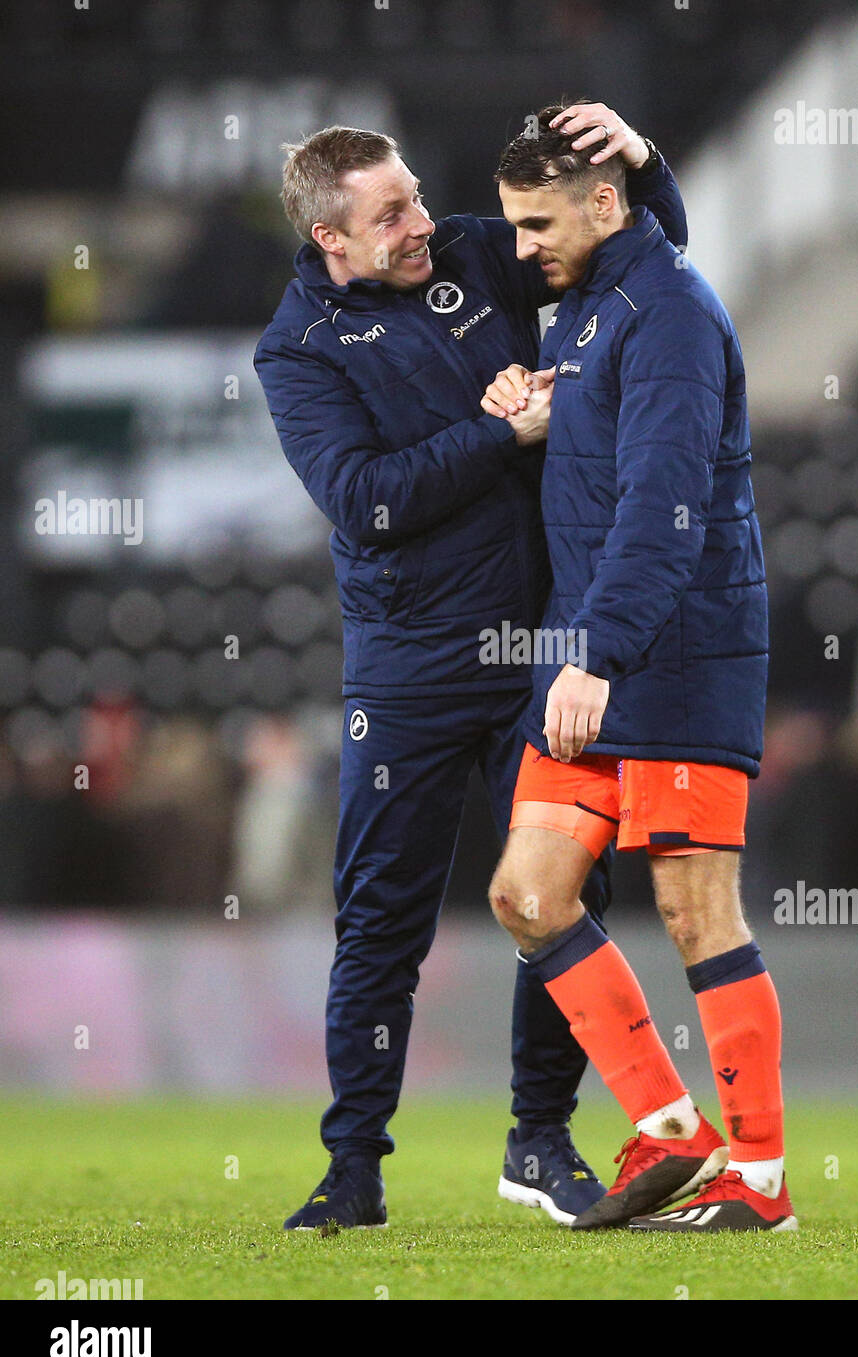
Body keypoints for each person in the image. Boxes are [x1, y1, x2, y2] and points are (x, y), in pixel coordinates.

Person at [253, 103, 689, 1229]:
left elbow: (650, 249)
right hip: (405, 668)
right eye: (389, 213)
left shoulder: (476, 253)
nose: (420, 226)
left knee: (562, 898)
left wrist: (640, 159)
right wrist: (504, 433)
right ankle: (352, 1170)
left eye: (412, 195)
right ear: (329, 242)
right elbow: (364, 500)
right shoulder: (297, 350)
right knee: (381, 921)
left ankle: (539, 1138)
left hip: (539, 651)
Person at [481, 107, 796, 1232]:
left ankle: (758, 1180)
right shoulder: (597, 303)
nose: (522, 249)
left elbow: (665, 513)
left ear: (603, 205)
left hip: (672, 648)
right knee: (528, 893)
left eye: (537, 223)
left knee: (695, 906)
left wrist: (596, 654)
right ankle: (670, 1128)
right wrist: (535, 412)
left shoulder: (665, 315)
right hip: (594, 651)